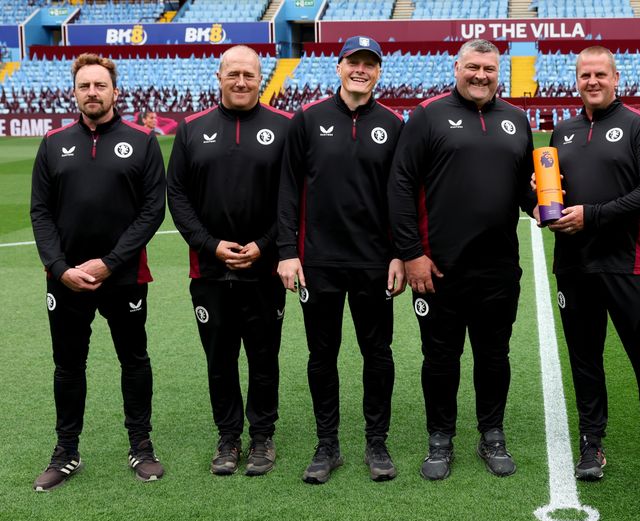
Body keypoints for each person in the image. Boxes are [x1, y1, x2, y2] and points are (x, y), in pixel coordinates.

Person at [542, 46, 640, 481]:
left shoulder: (638, 125)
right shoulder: (563, 131)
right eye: (585, 75)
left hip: (629, 265)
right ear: (576, 79)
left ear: (615, 77)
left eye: (600, 74)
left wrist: (592, 214)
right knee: (585, 358)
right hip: (574, 266)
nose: (592, 81)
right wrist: (542, 196)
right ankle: (592, 443)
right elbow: (555, 195)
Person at [387, 38, 534, 480]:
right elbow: (400, 186)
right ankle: (440, 439)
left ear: (498, 72)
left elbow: (524, 187)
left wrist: (550, 208)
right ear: (457, 67)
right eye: (473, 67)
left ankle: (492, 434)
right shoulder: (429, 115)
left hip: (498, 269)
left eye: (489, 69)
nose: (481, 76)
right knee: (440, 359)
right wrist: (412, 254)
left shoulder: (516, 119)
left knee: (494, 356)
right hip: (438, 270)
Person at [30, 53, 166, 491]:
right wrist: (59, 267)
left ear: (115, 91)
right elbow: (40, 212)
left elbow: (152, 212)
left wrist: (109, 263)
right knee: (68, 365)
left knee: (134, 359)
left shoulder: (142, 141)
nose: (93, 92)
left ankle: (141, 446)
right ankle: (66, 451)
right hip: (65, 280)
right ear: (75, 92)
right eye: (85, 86)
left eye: (100, 85)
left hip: (123, 276)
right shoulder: (53, 143)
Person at [277, 36, 406, 484]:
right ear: (339, 66)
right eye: (354, 61)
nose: (361, 70)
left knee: (378, 353)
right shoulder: (308, 120)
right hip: (319, 262)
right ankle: (327, 444)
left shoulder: (393, 124)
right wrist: (287, 252)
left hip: (374, 262)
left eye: (369, 64)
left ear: (378, 72)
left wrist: (399, 255)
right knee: (322, 354)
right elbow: (288, 191)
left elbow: (400, 195)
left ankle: (377, 442)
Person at [166, 45, 292, 477]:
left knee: (263, 356)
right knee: (219, 359)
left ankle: (261, 437)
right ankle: (227, 437)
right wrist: (210, 244)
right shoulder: (191, 129)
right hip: (209, 269)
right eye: (233, 73)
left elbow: (291, 198)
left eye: (249, 75)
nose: (241, 81)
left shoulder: (284, 127)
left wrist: (265, 244)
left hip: (265, 267)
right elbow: (177, 196)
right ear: (218, 76)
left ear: (262, 78)